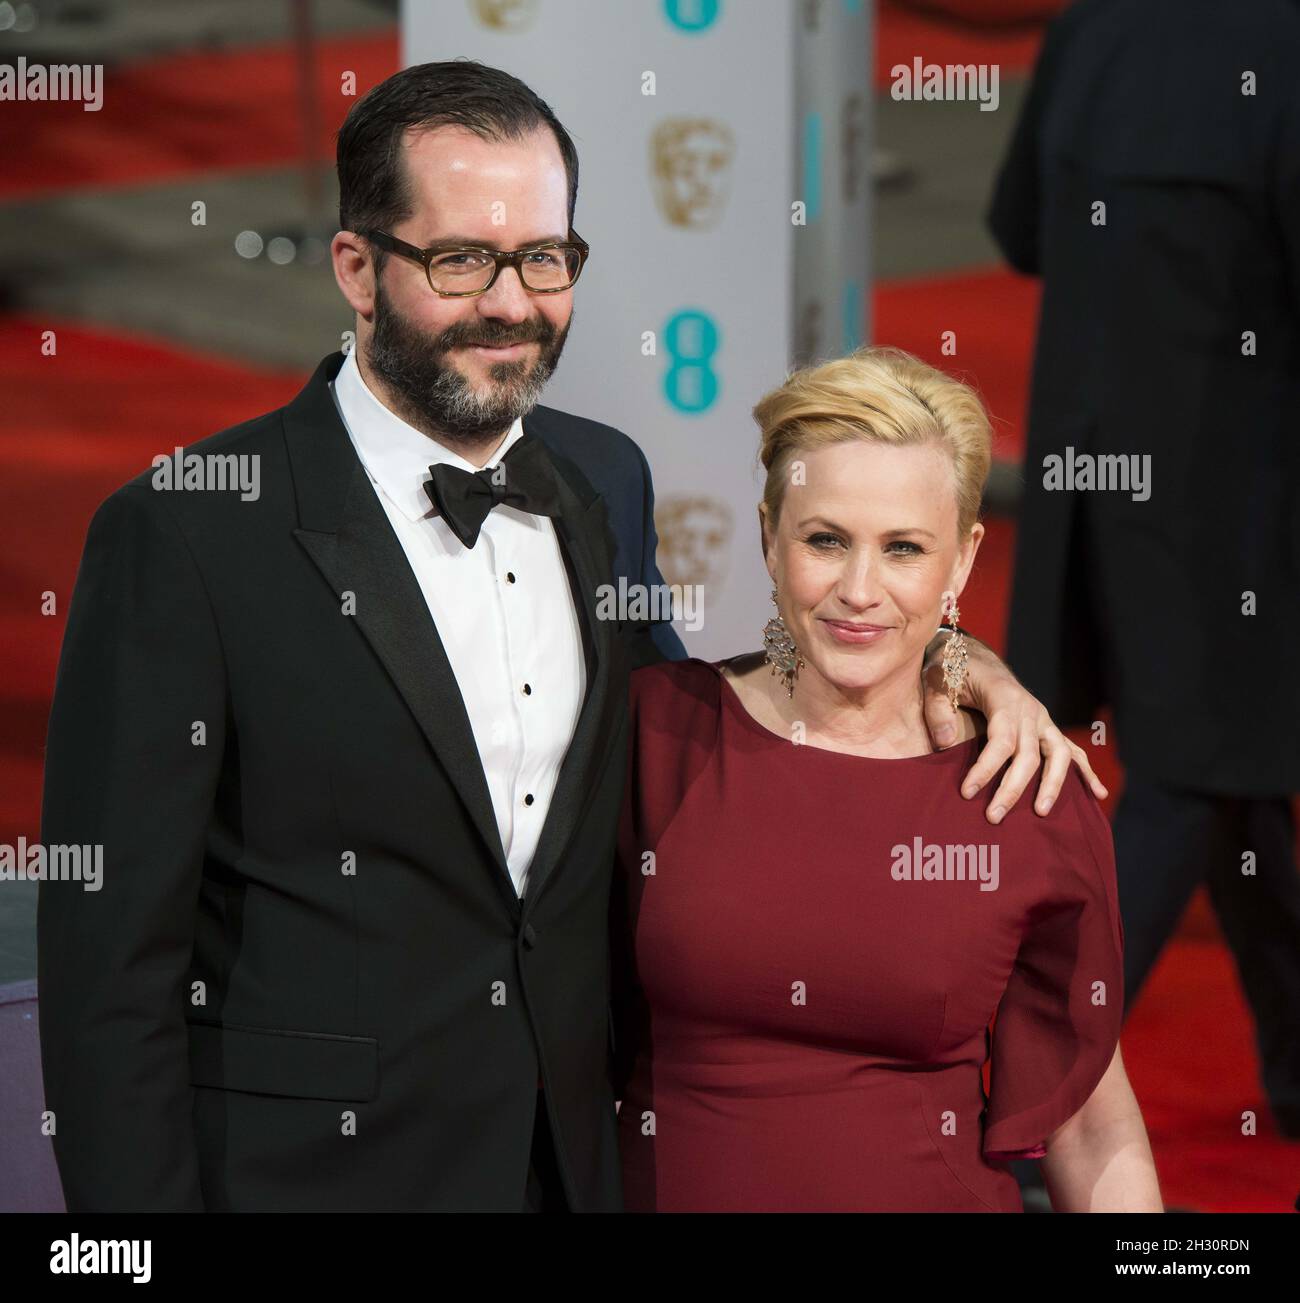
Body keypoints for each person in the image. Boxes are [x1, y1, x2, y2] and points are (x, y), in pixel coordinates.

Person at [39, 61, 1096, 1214]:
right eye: (460, 261)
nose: (512, 301)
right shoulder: (187, 533)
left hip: (576, 1167)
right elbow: (109, 974)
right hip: (315, 1178)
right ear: (356, 268)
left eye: (544, 258)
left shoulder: (602, 480)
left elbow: (692, 726)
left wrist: (949, 655)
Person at [612, 347, 1162, 1211]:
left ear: (963, 561)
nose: (858, 590)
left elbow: (1092, 1127)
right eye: (825, 539)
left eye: (904, 548)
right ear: (767, 536)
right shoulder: (653, 733)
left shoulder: (1025, 787)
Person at [988, 0, 1300, 1137]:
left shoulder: (1094, 25)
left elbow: (1018, 227)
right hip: (1241, 495)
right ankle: (1024, 1095)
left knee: (1226, 768)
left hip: (1093, 472)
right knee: (1192, 775)